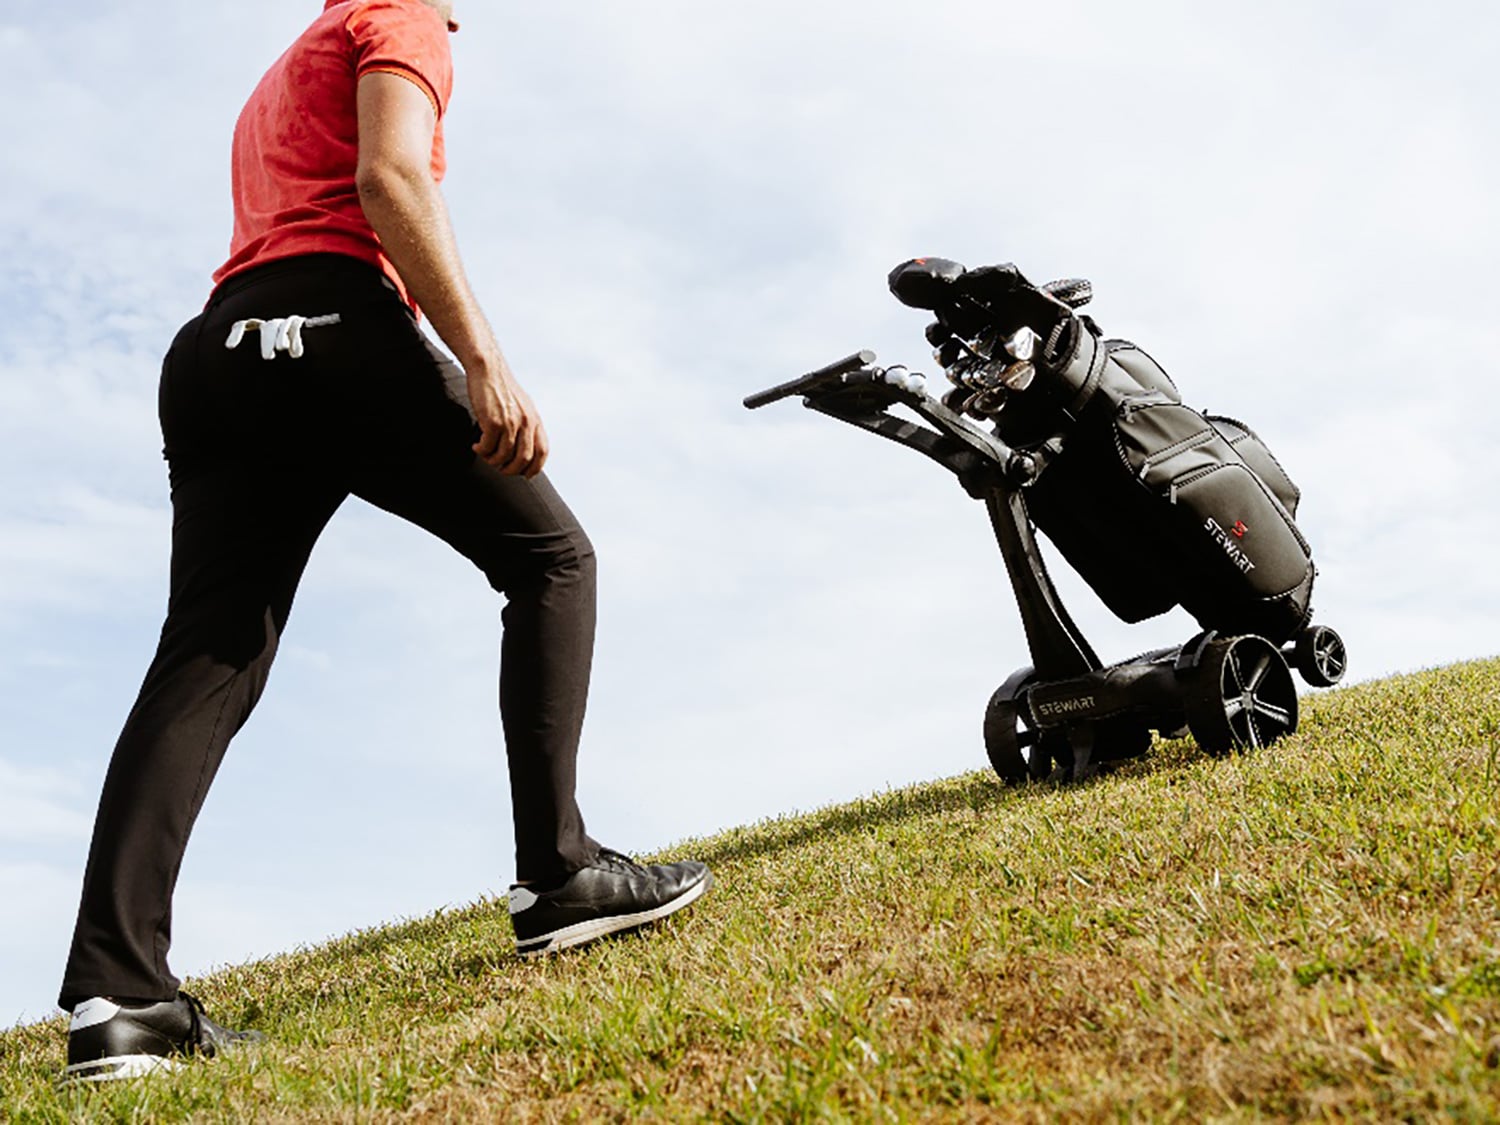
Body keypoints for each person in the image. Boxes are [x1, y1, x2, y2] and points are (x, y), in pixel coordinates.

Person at [58, 0, 711, 1084]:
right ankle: (560, 877)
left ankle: (117, 995)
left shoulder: (286, 63)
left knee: (210, 652)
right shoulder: (398, 16)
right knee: (552, 560)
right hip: (331, 329)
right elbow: (390, 178)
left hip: (218, 350)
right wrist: (484, 359)